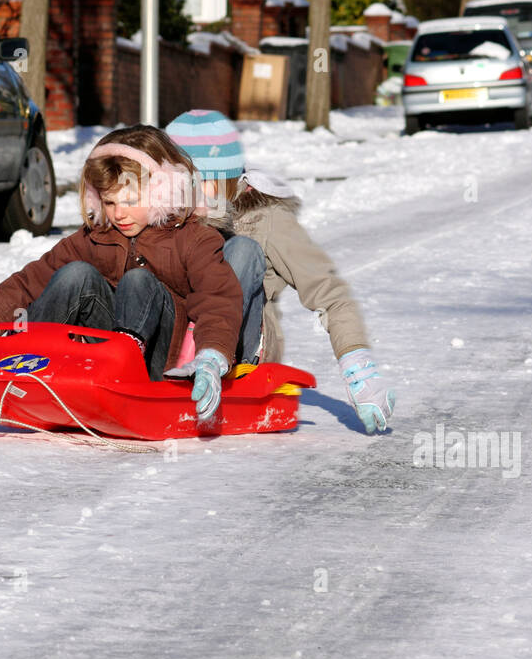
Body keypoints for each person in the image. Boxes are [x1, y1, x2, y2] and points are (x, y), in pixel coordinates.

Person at [0, 125, 242, 422]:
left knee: (138, 280)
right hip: (101, 356)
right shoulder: (97, 236)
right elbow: (33, 279)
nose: (119, 214)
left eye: (130, 201)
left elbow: (218, 300)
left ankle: (121, 372)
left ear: (164, 192)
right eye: (109, 202)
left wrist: (211, 356)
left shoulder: (193, 239)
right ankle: (24, 365)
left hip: (155, 360)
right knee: (74, 275)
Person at [165, 110, 395, 434]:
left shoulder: (263, 219)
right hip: (174, 329)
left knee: (239, 253)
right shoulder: (161, 212)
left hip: (243, 344)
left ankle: (207, 359)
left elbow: (326, 290)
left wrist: (359, 370)